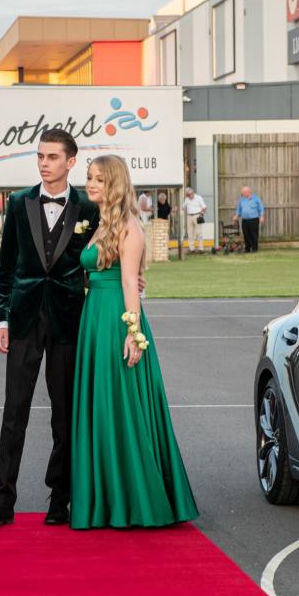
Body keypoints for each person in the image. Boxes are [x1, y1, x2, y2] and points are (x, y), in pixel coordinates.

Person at [0, 130, 100, 527]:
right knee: (14, 411)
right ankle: (2, 501)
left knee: (64, 414)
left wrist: (131, 279)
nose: (44, 163)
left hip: (69, 320)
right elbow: (6, 267)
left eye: (52, 157)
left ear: (71, 162)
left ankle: (58, 500)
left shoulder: (88, 208)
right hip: (24, 319)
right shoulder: (18, 203)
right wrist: (1, 318)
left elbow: (105, 254)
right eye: (40, 156)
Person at [70, 155, 198, 528]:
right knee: (103, 408)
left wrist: (133, 334)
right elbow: (94, 273)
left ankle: (137, 500)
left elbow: (129, 283)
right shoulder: (99, 225)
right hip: (94, 318)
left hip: (114, 321)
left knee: (120, 407)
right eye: (89, 178)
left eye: (98, 179)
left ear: (114, 183)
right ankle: (107, 500)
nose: (91, 184)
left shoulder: (129, 227)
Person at [233, 186, 265, 253]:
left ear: (248, 192)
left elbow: (261, 208)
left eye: (243, 192)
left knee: (254, 234)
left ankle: (254, 249)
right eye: (242, 192)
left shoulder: (256, 199)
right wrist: (236, 216)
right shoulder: (242, 200)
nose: (242, 193)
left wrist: (261, 216)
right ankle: (247, 249)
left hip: (254, 219)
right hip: (244, 220)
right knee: (246, 235)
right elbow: (239, 209)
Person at [183, 187, 207, 253]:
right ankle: (192, 249)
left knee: (199, 233)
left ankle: (201, 249)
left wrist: (201, 214)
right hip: (189, 216)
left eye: (190, 194)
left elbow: (204, 207)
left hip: (197, 215)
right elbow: (183, 207)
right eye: (187, 195)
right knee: (190, 233)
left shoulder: (199, 198)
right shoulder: (187, 199)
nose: (189, 196)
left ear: (192, 193)